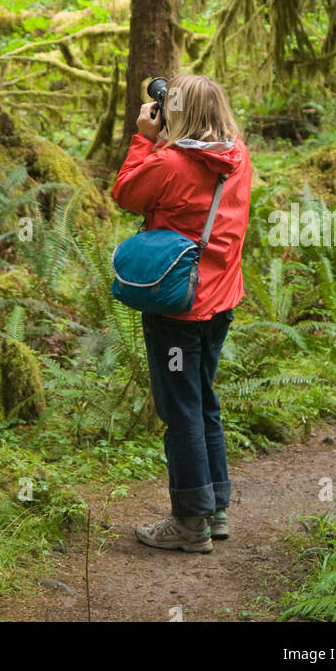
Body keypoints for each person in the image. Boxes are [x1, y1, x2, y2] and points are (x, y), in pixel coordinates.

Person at [111, 72, 252, 554]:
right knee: (204, 401)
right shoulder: (238, 157)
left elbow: (126, 195)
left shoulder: (170, 162)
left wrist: (142, 139)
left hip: (178, 306)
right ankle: (213, 511)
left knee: (181, 411)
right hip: (221, 300)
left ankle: (189, 523)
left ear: (179, 113)